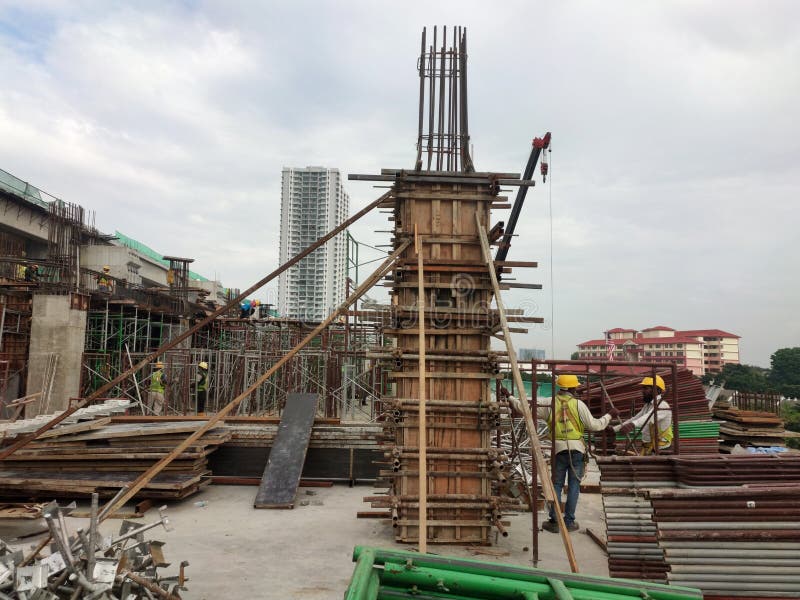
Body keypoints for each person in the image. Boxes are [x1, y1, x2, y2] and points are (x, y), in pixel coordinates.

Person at [538, 374, 619, 533]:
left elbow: (525, 407)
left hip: (559, 449)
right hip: (577, 450)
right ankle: (569, 522)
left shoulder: (548, 403)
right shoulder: (579, 405)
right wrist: (609, 415)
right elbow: (595, 425)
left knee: (557, 484)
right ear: (573, 388)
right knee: (574, 485)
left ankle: (554, 521)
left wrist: (511, 399)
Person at [614, 375, 673, 455]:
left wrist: (633, 425)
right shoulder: (648, 405)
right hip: (650, 448)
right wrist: (614, 429)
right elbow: (635, 418)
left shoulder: (662, 405)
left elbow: (648, 418)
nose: (643, 391)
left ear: (656, 390)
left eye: (646, 388)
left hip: (661, 451)